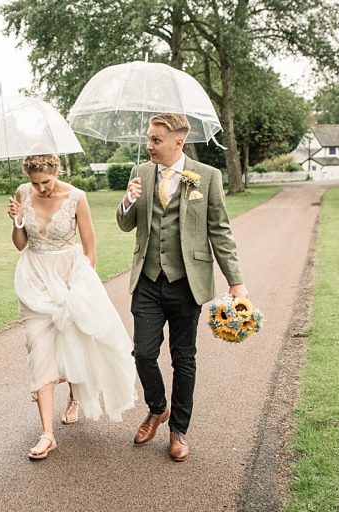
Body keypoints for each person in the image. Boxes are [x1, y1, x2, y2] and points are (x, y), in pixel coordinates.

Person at [116, 113, 248, 462]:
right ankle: (157, 408)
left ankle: (178, 430)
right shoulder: (139, 173)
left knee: (184, 358)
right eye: (149, 138)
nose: (149, 145)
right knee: (143, 353)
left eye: (156, 139)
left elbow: (219, 231)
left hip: (187, 283)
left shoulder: (207, 177)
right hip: (147, 279)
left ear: (178, 141)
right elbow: (124, 224)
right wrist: (128, 200)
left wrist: (236, 282)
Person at [8, 153, 136, 460]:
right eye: (35, 183)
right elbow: (20, 244)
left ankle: (74, 395)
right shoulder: (22, 194)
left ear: (56, 172)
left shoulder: (77, 197)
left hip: (69, 276)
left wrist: (81, 287)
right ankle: (47, 434)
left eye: (47, 182)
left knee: (75, 342)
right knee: (39, 352)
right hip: (34, 280)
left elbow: (90, 249)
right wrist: (18, 221)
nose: (41, 189)